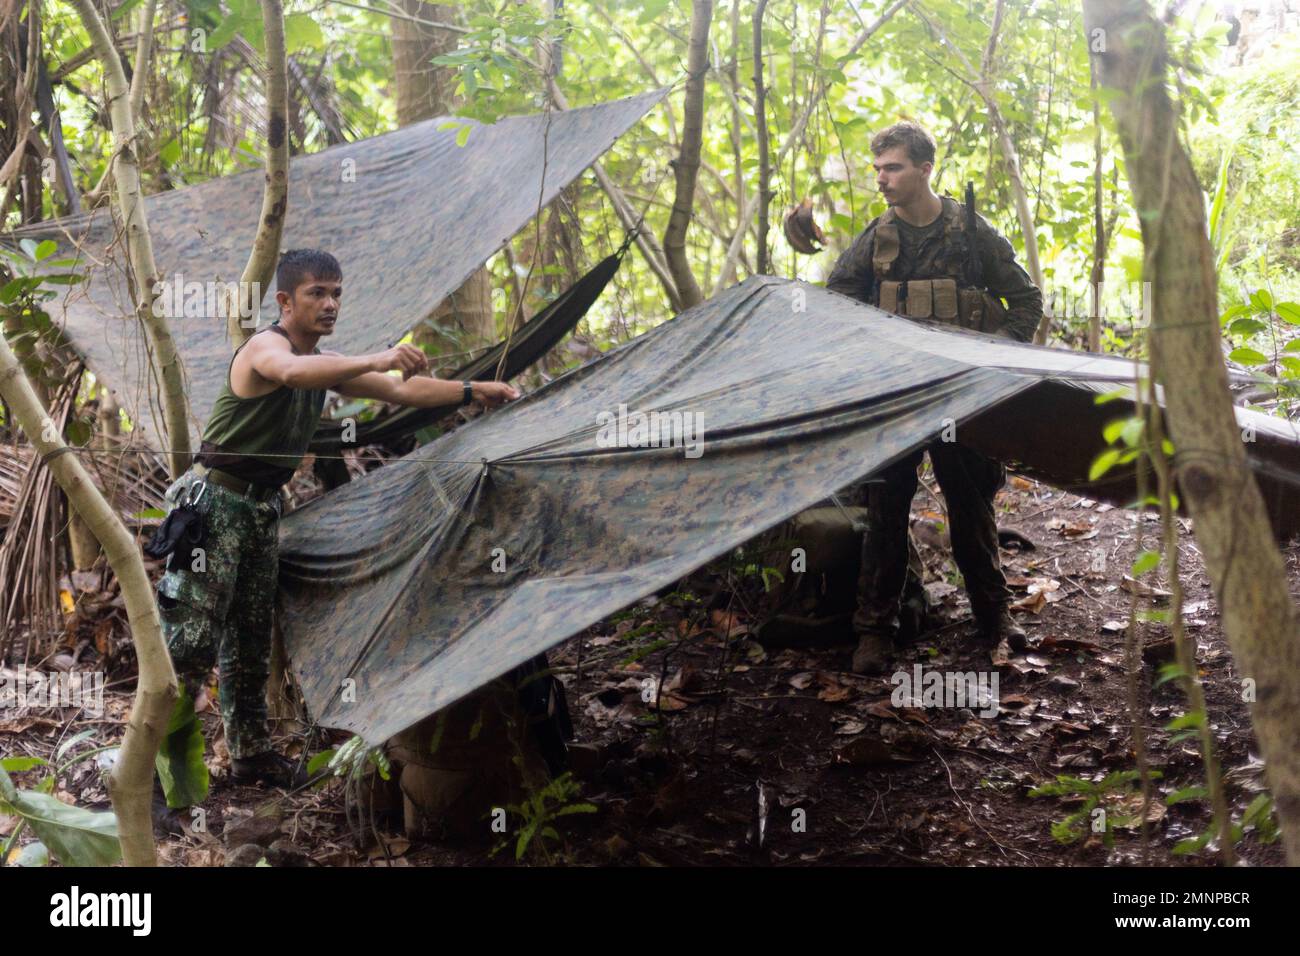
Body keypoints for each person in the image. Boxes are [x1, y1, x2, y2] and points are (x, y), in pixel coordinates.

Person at [154, 249, 518, 817]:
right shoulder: (267, 348)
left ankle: (250, 755)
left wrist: (472, 391)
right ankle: (159, 778)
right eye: (317, 293)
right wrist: (381, 354)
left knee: (249, 640)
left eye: (337, 294)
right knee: (190, 644)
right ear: (284, 301)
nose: (329, 304)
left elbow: (401, 392)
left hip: (259, 512)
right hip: (215, 506)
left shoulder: (324, 361)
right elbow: (293, 372)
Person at [824, 122, 1043, 674]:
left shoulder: (969, 232)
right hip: (898, 396)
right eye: (877, 168)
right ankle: (874, 631)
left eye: (892, 167)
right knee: (885, 513)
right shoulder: (877, 240)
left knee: (971, 510)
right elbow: (836, 306)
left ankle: (994, 618)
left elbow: (1025, 300)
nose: (882, 179)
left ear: (925, 170)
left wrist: (997, 360)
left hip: (960, 394)